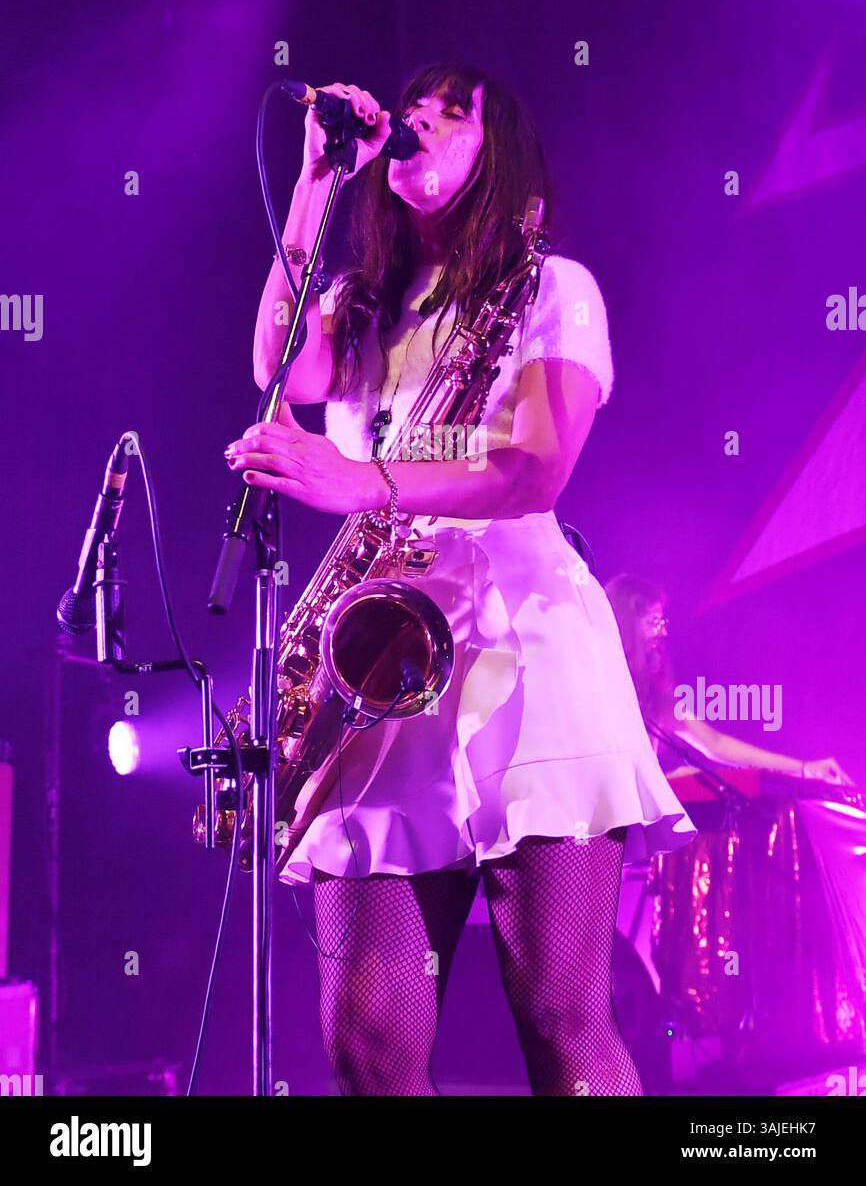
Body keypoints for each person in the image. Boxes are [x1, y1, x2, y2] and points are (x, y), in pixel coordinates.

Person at [225, 63, 696, 1097]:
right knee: (366, 1044)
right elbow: (278, 365)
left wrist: (356, 478)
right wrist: (318, 178)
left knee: (561, 1021)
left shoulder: (549, 289)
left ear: (501, 144)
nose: (421, 116)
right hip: (379, 672)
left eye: (452, 105)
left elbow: (534, 469)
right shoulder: (357, 303)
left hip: (525, 654)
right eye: (414, 104)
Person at [604, 573, 853, 785]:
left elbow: (715, 743)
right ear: (627, 625)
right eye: (653, 622)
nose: (664, 631)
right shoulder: (598, 682)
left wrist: (804, 768)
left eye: (663, 621)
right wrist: (670, 782)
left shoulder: (655, 693)